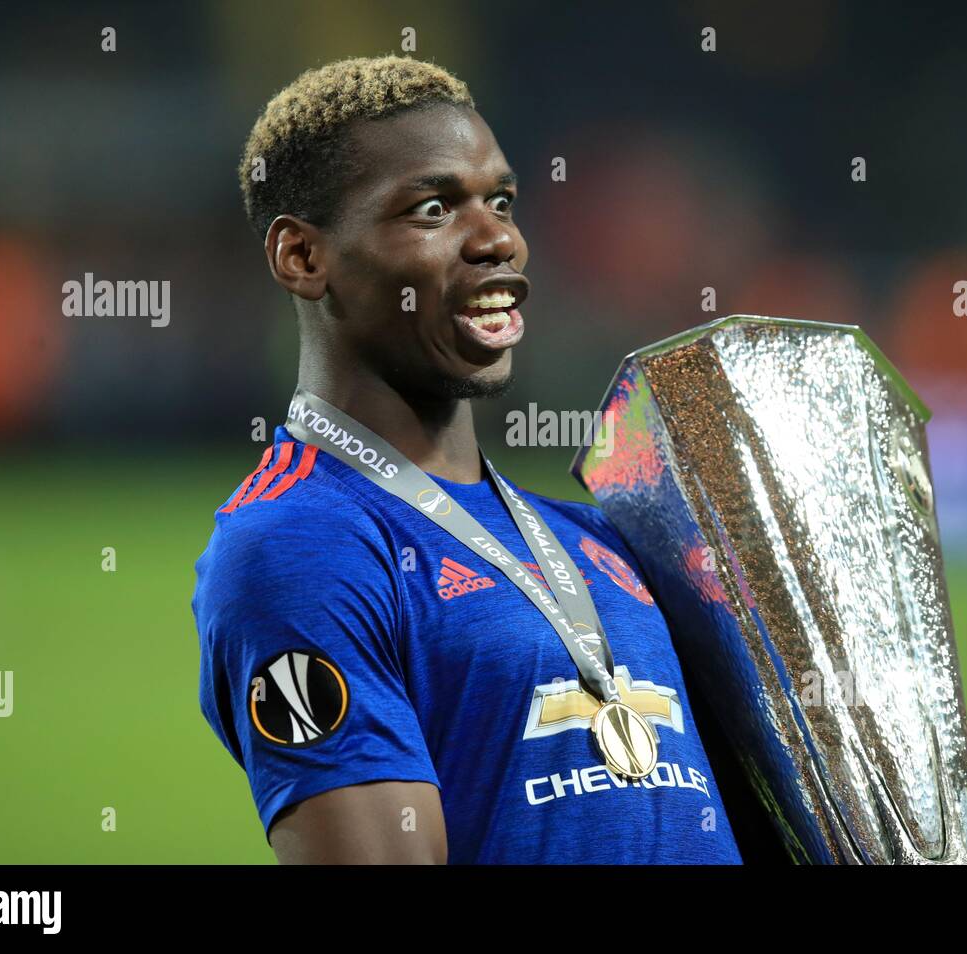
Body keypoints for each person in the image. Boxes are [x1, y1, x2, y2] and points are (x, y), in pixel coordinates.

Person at [191, 54, 744, 864]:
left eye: (502, 201)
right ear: (303, 259)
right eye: (433, 208)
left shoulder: (600, 538)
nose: (498, 240)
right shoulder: (297, 545)